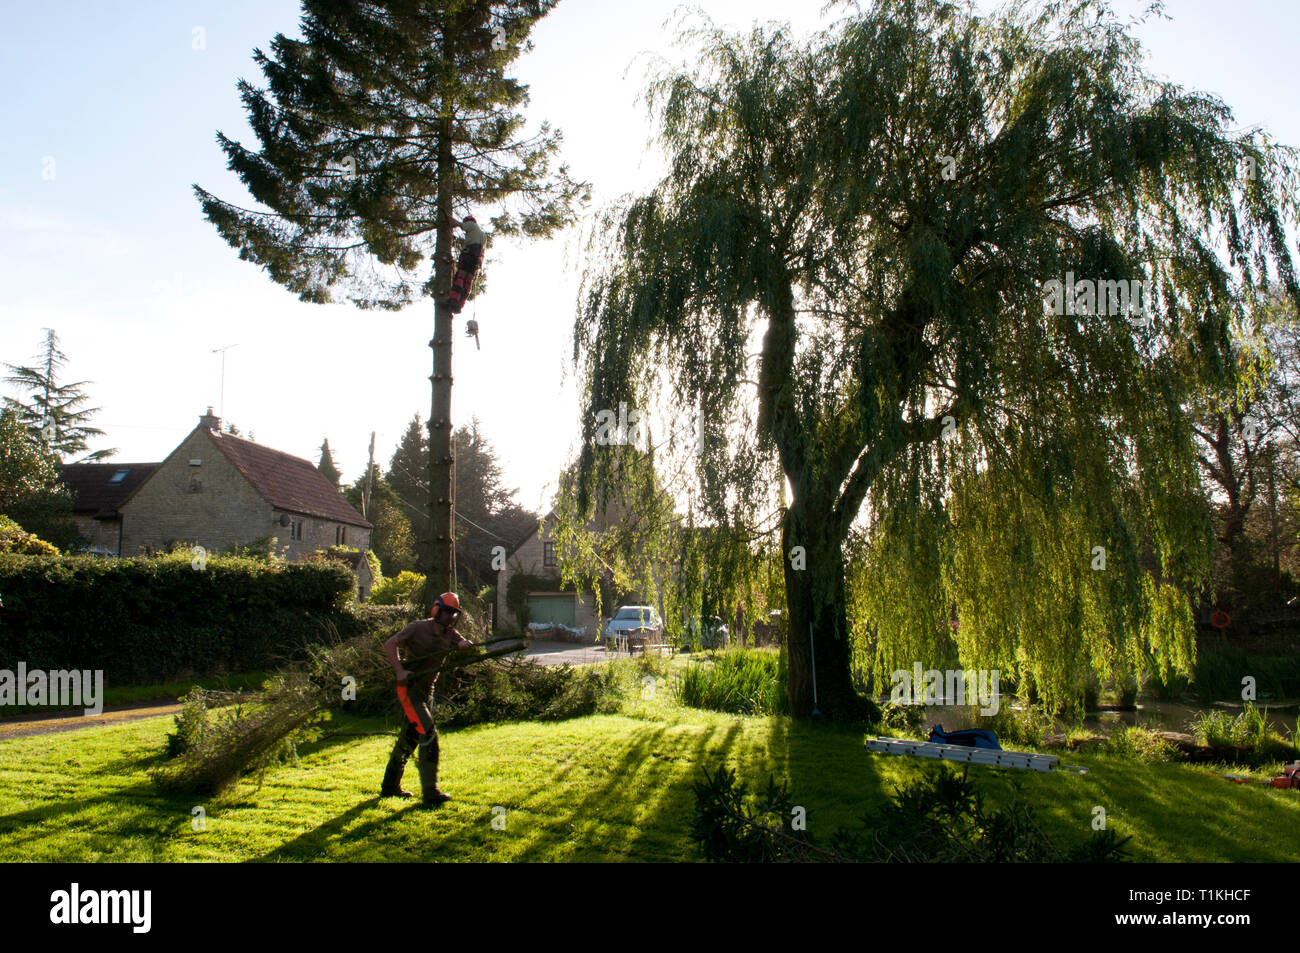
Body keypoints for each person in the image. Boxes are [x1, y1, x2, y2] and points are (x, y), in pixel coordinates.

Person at [380, 591, 475, 806]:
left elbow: (464, 646)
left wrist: (464, 646)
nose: (450, 616)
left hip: (426, 692)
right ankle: (431, 792)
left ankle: (389, 787)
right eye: (447, 611)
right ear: (437, 610)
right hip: (410, 690)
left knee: (409, 739)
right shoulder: (417, 628)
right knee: (428, 733)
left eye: (454, 613)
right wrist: (399, 671)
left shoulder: (451, 635)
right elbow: (390, 644)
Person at [443, 215, 487, 315]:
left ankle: (452, 301)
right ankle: (459, 306)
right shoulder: (483, 235)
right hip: (476, 261)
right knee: (467, 282)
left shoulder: (471, 225)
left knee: (460, 278)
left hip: (468, 255)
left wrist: (448, 219)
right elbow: (482, 252)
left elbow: (458, 224)